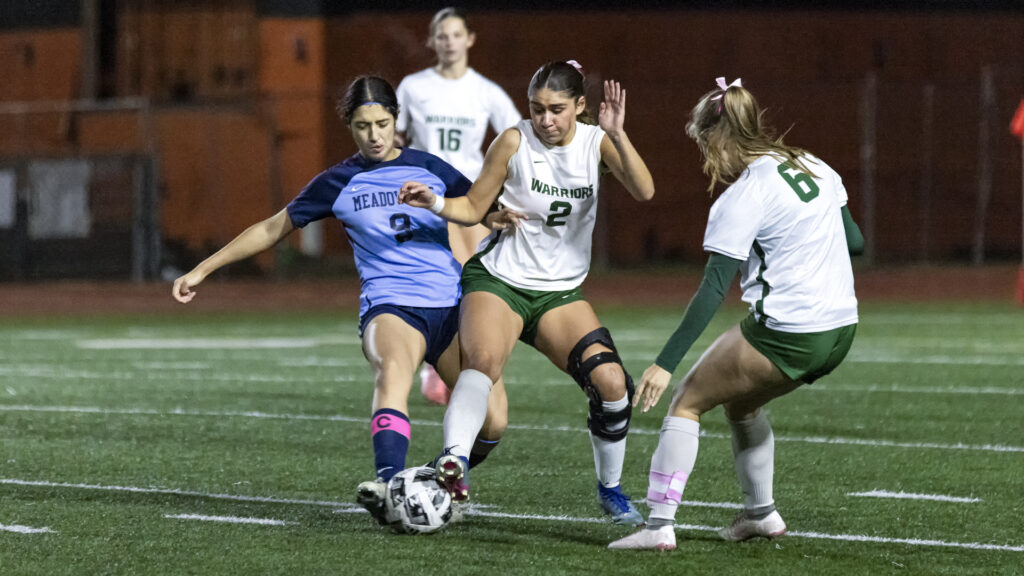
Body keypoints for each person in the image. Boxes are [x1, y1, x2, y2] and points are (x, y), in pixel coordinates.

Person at [170, 75, 509, 528]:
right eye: (363, 125)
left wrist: (505, 218)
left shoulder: (431, 167)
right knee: (394, 373)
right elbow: (273, 228)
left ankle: (429, 478)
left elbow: (483, 208)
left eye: (383, 123)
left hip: (451, 305)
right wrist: (202, 268)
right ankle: (389, 486)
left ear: (396, 121)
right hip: (392, 306)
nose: (374, 135)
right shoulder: (337, 182)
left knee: (493, 423)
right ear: (350, 127)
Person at [609, 77, 863, 550]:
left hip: (791, 331)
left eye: (705, 145)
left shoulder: (745, 194)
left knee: (686, 401)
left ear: (719, 136)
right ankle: (761, 514)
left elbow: (712, 290)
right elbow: (856, 242)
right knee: (742, 403)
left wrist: (664, 364)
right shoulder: (816, 164)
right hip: (842, 330)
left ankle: (659, 525)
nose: (708, 158)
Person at [399, 61, 655, 525]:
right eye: (537, 109)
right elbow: (475, 206)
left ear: (580, 106)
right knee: (484, 365)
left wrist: (618, 134)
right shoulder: (514, 141)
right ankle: (453, 461)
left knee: (612, 383)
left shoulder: (598, 142)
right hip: (499, 280)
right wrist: (434, 202)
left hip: (558, 293)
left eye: (557, 110)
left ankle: (612, 491)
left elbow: (644, 190)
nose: (545, 120)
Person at [395, 7, 522, 406]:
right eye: (441, 36)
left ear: (470, 39)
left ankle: (468, 363)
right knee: (442, 278)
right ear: (431, 42)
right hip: (425, 196)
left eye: (456, 35)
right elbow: (393, 139)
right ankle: (437, 364)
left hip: (470, 194)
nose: (449, 42)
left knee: (473, 278)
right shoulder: (413, 86)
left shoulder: (485, 90)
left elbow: (517, 137)